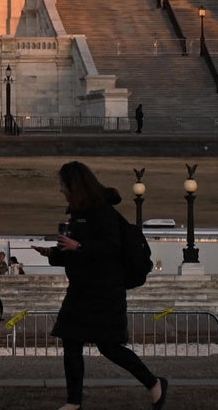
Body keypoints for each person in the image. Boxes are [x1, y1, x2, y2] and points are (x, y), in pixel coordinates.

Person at [44, 160, 168, 410]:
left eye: (62, 185)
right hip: (83, 290)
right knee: (71, 340)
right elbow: (79, 252)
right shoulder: (80, 214)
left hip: (104, 292)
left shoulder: (102, 212)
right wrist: (51, 253)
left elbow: (110, 248)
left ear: (74, 186)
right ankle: (74, 401)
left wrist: (78, 246)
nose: (60, 190)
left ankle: (155, 383)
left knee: (109, 346)